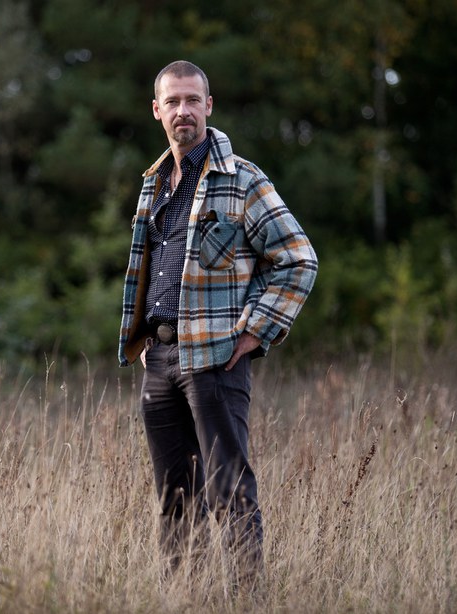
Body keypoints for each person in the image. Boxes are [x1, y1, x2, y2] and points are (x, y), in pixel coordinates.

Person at [118, 60, 318, 590]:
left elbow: (298, 259)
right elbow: (152, 268)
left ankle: (247, 597)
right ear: (157, 110)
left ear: (209, 106)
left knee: (229, 489)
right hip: (158, 360)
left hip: (214, 359)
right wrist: (142, 337)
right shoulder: (154, 183)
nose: (183, 111)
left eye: (192, 100)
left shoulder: (243, 180)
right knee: (174, 497)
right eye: (173, 102)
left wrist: (255, 332)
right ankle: (186, 596)